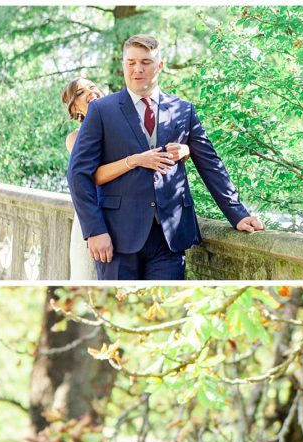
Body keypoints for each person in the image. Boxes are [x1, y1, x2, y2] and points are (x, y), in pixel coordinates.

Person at [67, 34, 264, 280]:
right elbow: (78, 175)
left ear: (159, 66)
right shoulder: (101, 110)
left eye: (145, 62)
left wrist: (238, 213)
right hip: (116, 236)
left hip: (171, 236)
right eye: (131, 62)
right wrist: (95, 230)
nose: (137, 69)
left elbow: (210, 164)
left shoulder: (183, 110)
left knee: (163, 306)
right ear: (124, 65)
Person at [63, 76, 190, 282]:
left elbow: (154, 146)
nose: (90, 93)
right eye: (80, 93)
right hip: (102, 220)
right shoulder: (75, 137)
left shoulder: (125, 118)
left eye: (92, 87)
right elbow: (91, 176)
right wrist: (135, 160)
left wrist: (185, 149)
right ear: (74, 108)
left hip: (153, 224)